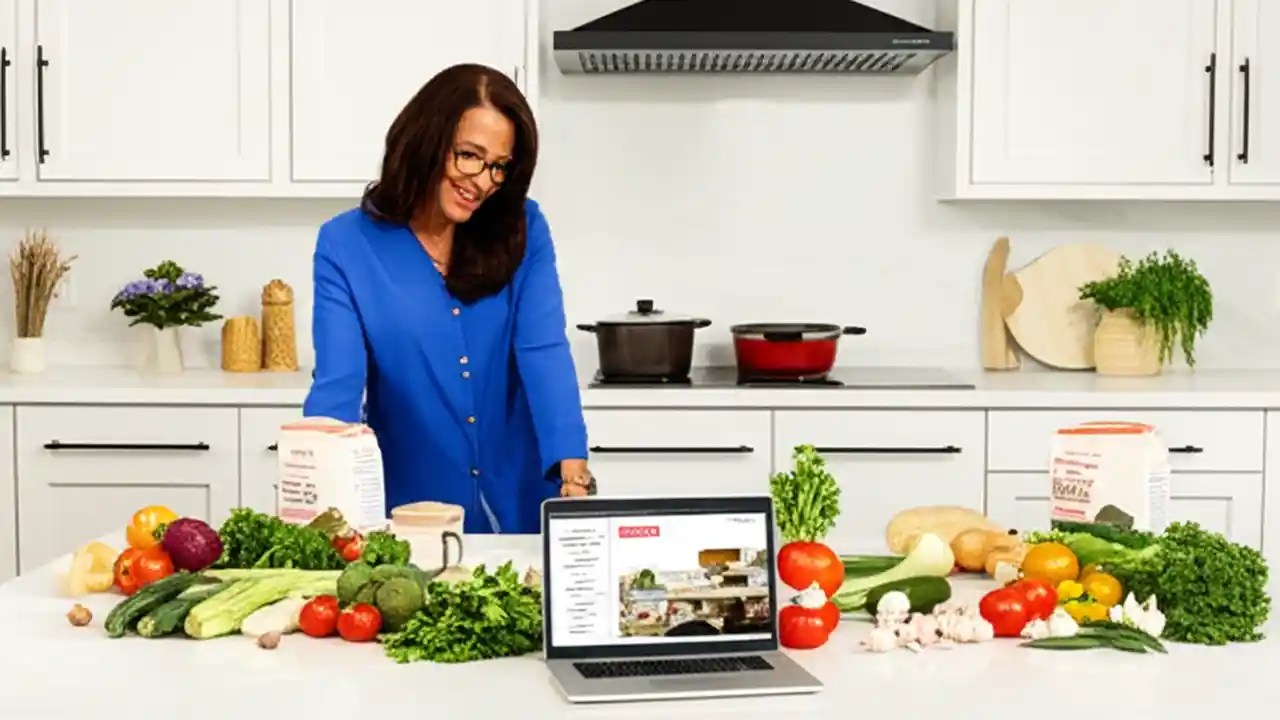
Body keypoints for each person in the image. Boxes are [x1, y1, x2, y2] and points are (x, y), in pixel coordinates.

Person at [302, 63, 594, 535]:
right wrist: (314, 493)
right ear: (427, 140)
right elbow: (339, 386)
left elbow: (544, 353)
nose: (482, 181)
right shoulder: (345, 245)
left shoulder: (523, 228)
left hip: (521, 507)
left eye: (499, 166)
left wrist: (576, 482)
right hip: (413, 518)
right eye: (469, 156)